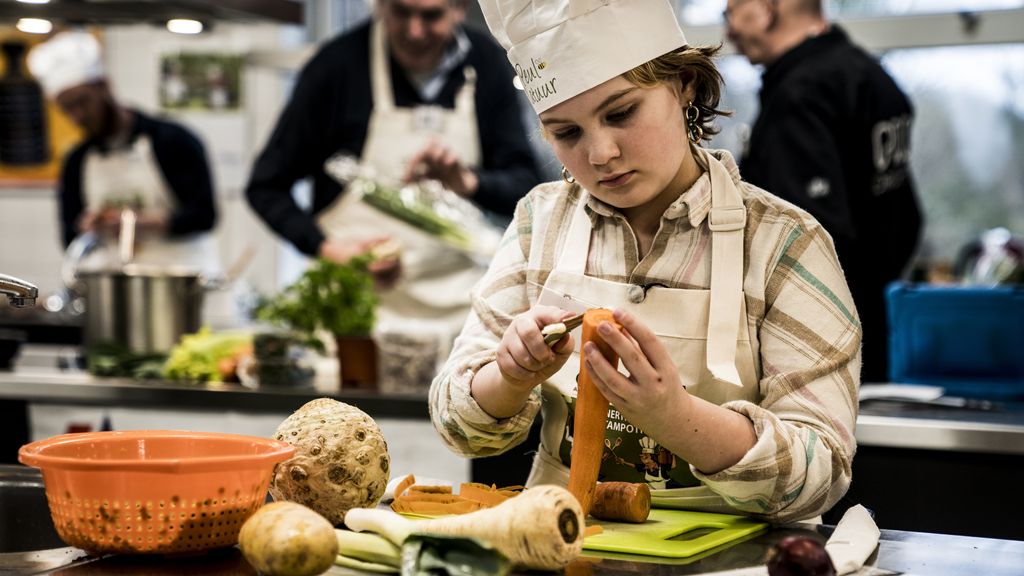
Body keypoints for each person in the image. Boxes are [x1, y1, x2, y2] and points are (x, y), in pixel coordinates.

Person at [430, 0, 861, 523]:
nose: (601, 153)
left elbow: (822, 473)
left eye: (620, 113)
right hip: (558, 544)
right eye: (566, 132)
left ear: (684, 86)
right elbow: (456, 424)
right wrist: (509, 376)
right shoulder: (539, 223)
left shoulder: (783, 243)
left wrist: (674, 417)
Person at [245, 0, 543, 346]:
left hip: (459, 321)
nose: (415, 31)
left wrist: (469, 182)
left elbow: (526, 190)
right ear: (380, 5)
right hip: (352, 318)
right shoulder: (336, 66)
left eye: (431, 16)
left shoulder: (488, 65)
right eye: (402, 12)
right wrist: (327, 248)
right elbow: (266, 186)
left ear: (459, 9)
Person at [725, 0, 922, 382]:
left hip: (822, 341)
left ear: (765, 9)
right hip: (876, 317)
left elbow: (802, 240)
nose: (729, 30)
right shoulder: (867, 71)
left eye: (731, 12)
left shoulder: (801, 94)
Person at [28, 31, 218, 272]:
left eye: (82, 102)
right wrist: (87, 226)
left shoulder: (173, 140)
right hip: (110, 285)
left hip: (178, 280)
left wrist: (141, 223)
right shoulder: (77, 160)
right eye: (68, 109)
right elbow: (69, 237)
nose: (78, 116)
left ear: (104, 86)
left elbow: (204, 215)